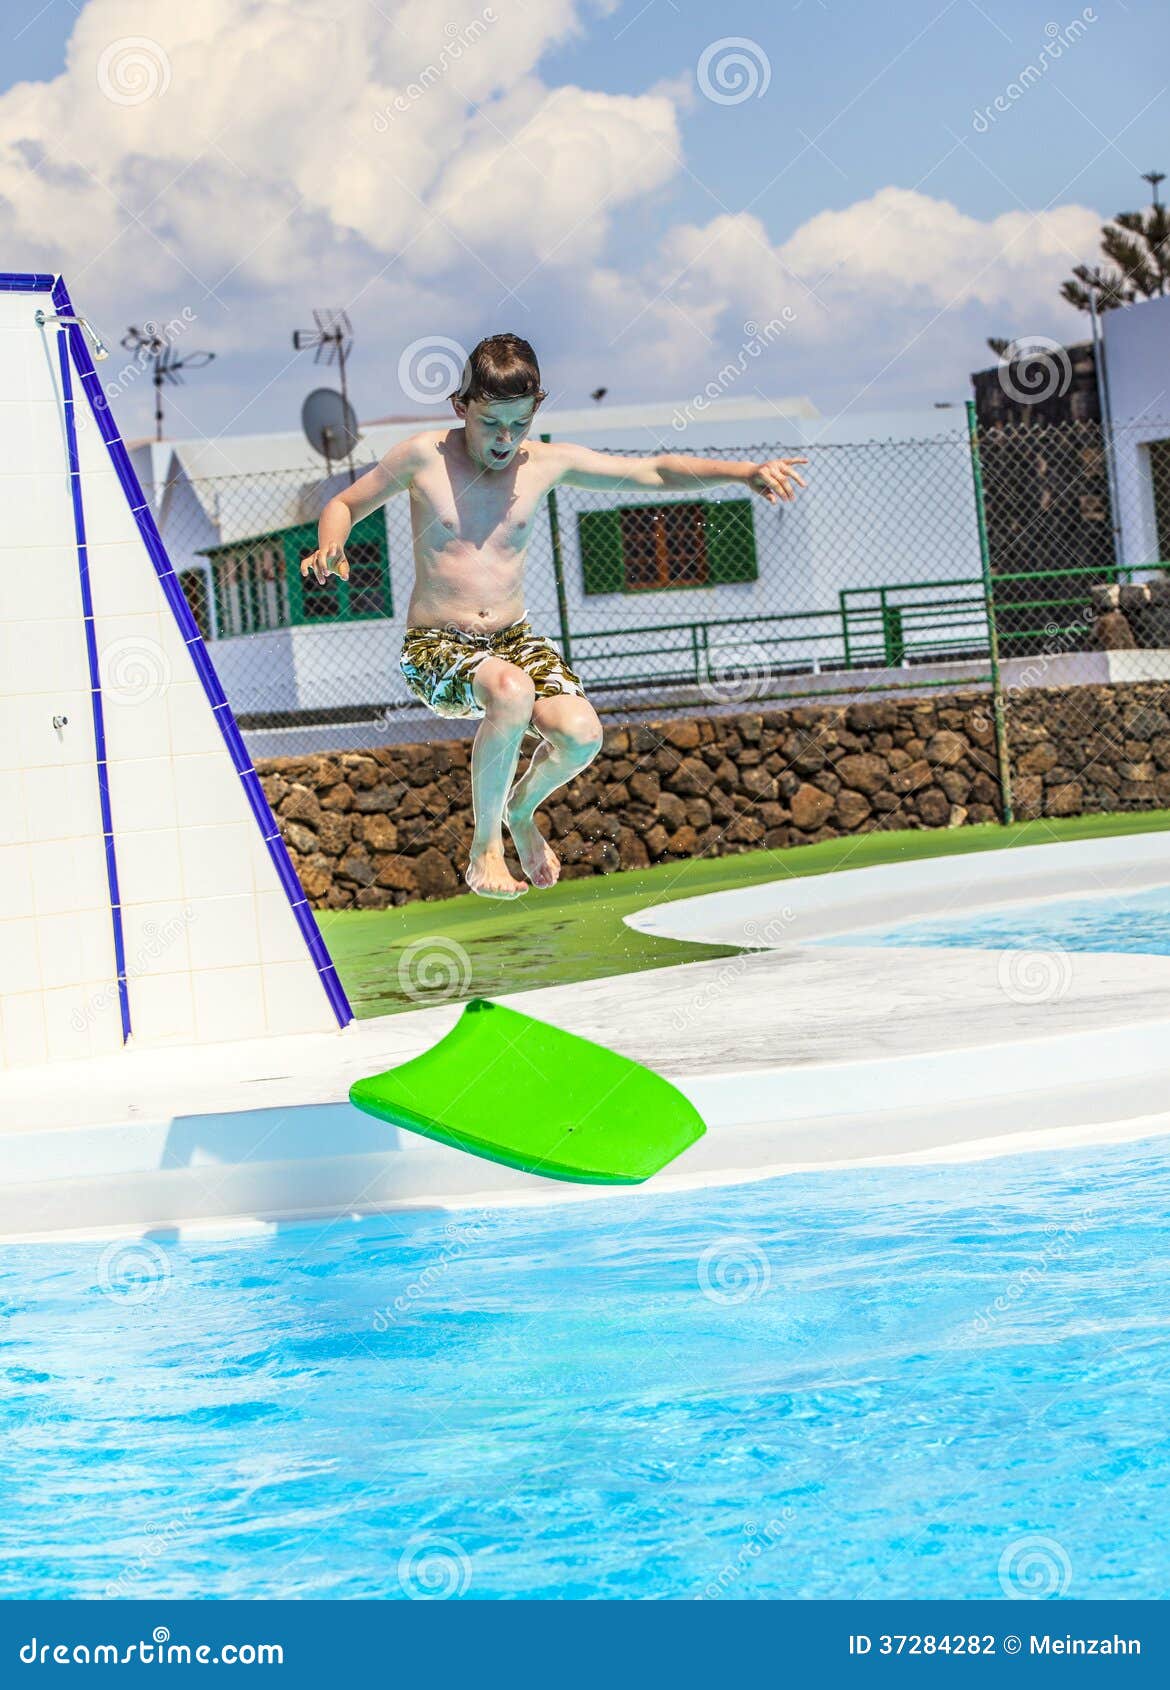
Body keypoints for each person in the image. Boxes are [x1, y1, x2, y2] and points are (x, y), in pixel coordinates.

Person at [302, 333, 808, 899]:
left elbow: (655, 473)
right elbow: (343, 503)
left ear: (535, 410)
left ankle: (520, 811)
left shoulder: (544, 462)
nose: (505, 439)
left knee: (580, 735)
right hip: (438, 648)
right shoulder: (425, 456)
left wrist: (743, 473)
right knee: (511, 690)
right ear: (461, 406)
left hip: (514, 642)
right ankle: (485, 848)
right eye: (491, 422)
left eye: (519, 423)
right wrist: (332, 545)